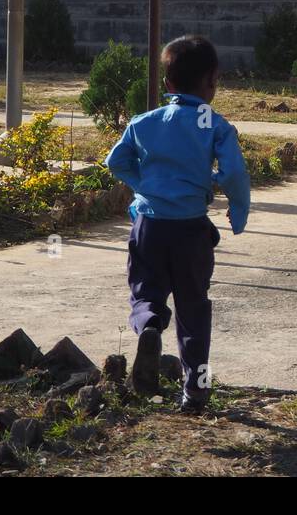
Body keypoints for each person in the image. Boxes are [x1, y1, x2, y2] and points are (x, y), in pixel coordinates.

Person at [104, 35, 250, 413]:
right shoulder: (215, 125)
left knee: (146, 292)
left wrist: (146, 188)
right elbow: (233, 173)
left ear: (167, 84)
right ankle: (195, 392)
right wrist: (237, 208)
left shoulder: (144, 122)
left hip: (149, 226)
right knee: (194, 310)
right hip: (191, 230)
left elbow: (115, 162)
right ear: (213, 81)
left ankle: (150, 327)